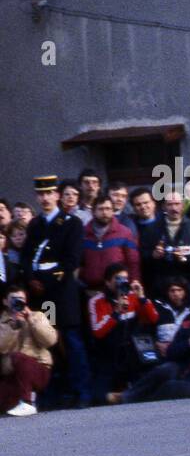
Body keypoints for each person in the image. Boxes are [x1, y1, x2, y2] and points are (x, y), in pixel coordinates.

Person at [22, 174, 91, 408]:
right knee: (48, 342)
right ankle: (53, 391)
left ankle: (81, 391)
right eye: (41, 194)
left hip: (62, 293)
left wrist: (45, 280)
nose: (45, 198)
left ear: (58, 195)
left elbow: (71, 260)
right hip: (42, 296)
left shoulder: (72, 224)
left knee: (71, 341)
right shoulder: (35, 225)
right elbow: (27, 257)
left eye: (49, 193)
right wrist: (31, 279)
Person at [87, 263, 159, 402]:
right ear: (107, 282)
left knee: (151, 381)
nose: (122, 282)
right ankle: (124, 395)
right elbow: (97, 332)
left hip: (132, 352)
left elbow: (153, 318)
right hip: (108, 353)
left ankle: (129, 393)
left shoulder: (133, 296)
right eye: (118, 279)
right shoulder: (96, 301)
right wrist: (115, 313)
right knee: (97, 396)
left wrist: (142, 298)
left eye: (125, 279)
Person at [0, 283, 58, 416]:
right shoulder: (2, 322)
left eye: (21, 299)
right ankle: (22, 400)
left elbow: (51, 341)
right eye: (14, 299)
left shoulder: (37, 316)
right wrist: (13, 327)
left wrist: (31, 321)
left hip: (39, 369)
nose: (18, 302)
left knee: (17, 357)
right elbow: (1, 347)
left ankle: (27, 402)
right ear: (5, 302)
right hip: (12, 375)